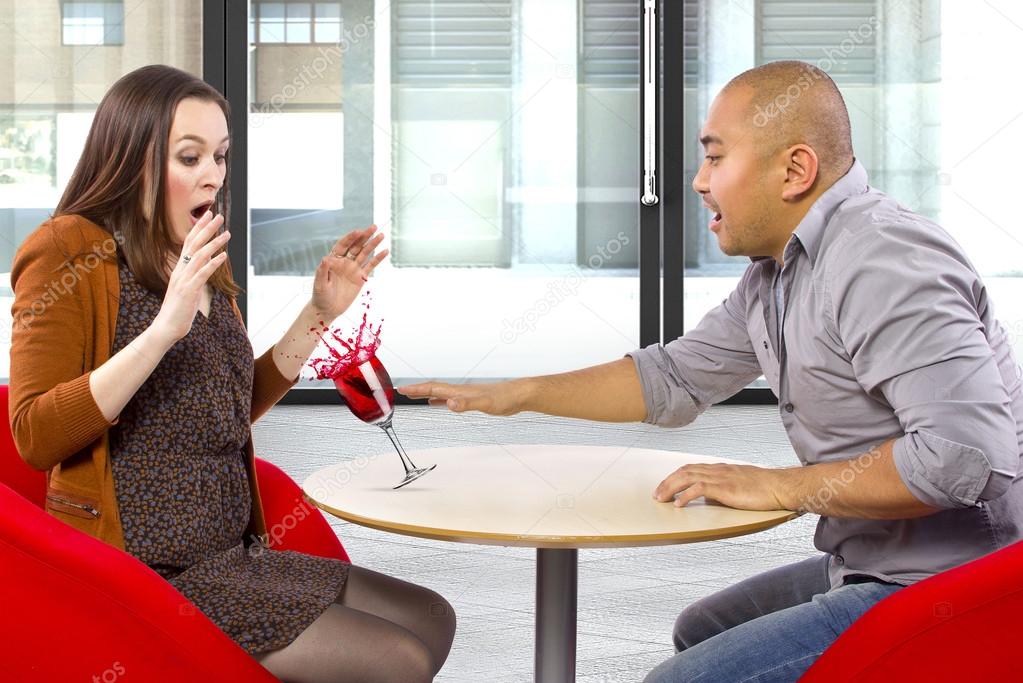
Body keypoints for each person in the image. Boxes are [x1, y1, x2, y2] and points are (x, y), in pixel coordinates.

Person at [399, 60, 1023, 681]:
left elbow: (965, 457)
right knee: (702, 628)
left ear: (795, 170)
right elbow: (673, 378)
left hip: (964, 583)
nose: (698, 182)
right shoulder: (777, 272)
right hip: (877, 560)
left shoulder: (883, 260)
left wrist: (779, 485)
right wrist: (517, 393)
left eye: (716, 158)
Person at [9, 65, 455, 683]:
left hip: (232, 553)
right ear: (131, 157)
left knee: (432, 616)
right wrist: (163, 329)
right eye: (189, 157)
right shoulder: (68, 250)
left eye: (219, 155)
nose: (213, 175)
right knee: (396, 660)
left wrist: (319, 314)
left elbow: (228, 404)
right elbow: (35, 435)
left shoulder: (199, 248)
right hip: (150, 572)